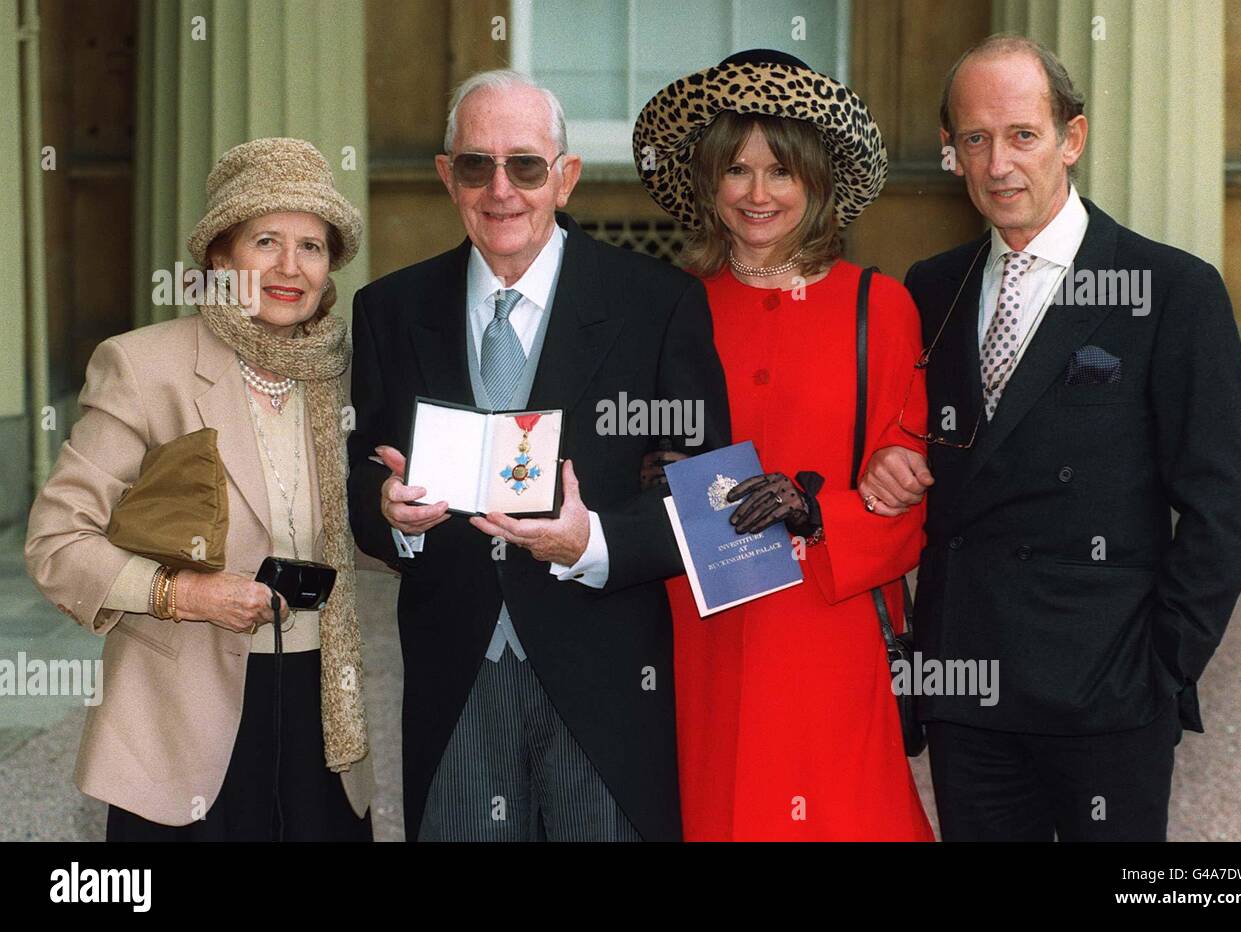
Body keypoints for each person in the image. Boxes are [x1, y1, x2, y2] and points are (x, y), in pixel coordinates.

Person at [872, 34, 1241, 841]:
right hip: (965, 688)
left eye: (1022, 135)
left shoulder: (1171, 290)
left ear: (1071, 139)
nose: (998, 164)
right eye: (974, 140)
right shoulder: (930, 289)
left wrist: (1162, 666)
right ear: (951, 152)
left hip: (1107, 694)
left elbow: (1220, 505)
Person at [346, 70, 730, 842]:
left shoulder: (658, 305)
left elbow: (714, 500)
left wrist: (593, 542)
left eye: (525, 165)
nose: (501, 189)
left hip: (605, 678)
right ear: (446, 177)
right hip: (456, 678)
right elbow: (361, 480)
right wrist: (392, 515)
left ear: (565, 177)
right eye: (475, 165)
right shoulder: (388, 308)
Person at [25, 137, 374, 841]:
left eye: (310, 246)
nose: (288, 266)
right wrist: (184, 594)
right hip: (183, 720)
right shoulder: (144, 365)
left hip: (322, 716)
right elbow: (57, 543)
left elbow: (366, 531)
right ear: (220, 256)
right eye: (265, 240)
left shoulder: (344, 374)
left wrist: (403, 518)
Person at [633, 49, 936, 841]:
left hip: (830, 629)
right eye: (737, 170)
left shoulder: (881, 306)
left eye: (781, 171)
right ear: (708, 183)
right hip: (704, 630)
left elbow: (908, 498)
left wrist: (815, 510)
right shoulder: (671, 307)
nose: (758, 194)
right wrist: (645, 469)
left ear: (818, 182)